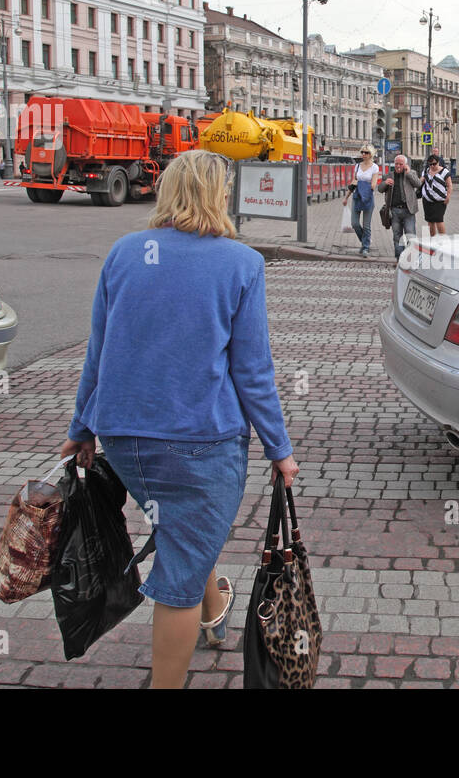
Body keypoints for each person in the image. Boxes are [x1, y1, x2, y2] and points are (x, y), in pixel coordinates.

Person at [59, 149, 298, 689]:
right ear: (220, 194)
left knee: (184, 532)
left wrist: (81, 430)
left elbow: (98, 351)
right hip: (199, 440)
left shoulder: (124, 253)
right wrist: (279, 449)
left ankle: (213, 615)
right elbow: (252, 371)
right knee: (180, 574)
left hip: (123, 436)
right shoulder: (240, 263)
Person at [376, 153, 421, 258]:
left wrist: (409, 173)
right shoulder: (388, 175)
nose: (398, 166)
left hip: (408, 210)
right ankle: (400, 259)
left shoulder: (411, 173)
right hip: (394, 211)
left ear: (405, 165)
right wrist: (385, 183)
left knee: (411, 235)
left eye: (401, 164)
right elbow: (380, 189)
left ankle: (412, 257)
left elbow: (418, 184)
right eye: (396, 164)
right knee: (397, 236)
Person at [351, 145, 380, 257]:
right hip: (357, 196)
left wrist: (358, 183)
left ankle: (365, 247)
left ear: (371, 154)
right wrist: (346, 196)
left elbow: (373, 185)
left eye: (366, 152)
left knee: (366, 225)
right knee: (354, 223)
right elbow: (354, 181)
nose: (363, 154)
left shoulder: (374, 167)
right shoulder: (357, 166)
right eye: (362, 152)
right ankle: (365, 241)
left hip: (368, 197)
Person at [420, 152, 452, 236]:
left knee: (439, 220)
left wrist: (448, 197)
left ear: (438, 162)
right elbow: (420, 181)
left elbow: (449, 185)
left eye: (434, 164)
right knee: (430, 221)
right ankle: (432, 241)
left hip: (440, 201)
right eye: (430, 164)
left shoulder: (444, 171)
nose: (432, 166)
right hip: (427, 200)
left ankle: (443, 241)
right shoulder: (426, 170)